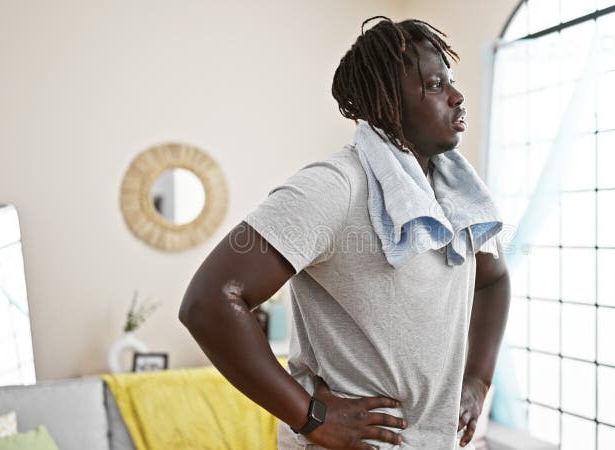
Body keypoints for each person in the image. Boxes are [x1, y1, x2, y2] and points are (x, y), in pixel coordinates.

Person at [179, 16, 510, 450]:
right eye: (433, 85)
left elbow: (494, 280)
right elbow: (209, 302)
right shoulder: (337, 186)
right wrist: (312, 416)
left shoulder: (461, 197)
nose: (457, 96)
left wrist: (478, 380)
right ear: (388, 102)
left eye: (450, 80)